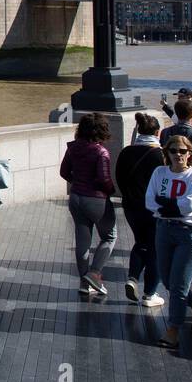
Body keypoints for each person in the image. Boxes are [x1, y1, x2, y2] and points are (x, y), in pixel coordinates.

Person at [146, 136, 192, 348]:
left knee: (178, 285)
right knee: (167, 281)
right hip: (164, 230)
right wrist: (172, 206)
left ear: (190, 153)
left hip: (190, 234)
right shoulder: (159, 172)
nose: (178, 155)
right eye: (173, 151)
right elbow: (150, 201)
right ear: (167, 153)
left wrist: (167, 204)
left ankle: (173, 330)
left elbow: (190, 205)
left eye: (183, 151)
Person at [60, 113, 117, 296]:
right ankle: (94, 273)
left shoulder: (72, 148)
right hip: (96, 199)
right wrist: (110, 191)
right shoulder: (101, 152)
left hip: (76, 197)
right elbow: (103, 178)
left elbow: (64, 171)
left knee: (82, 240)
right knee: (109, 236)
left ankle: (84, 283)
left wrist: (77, 182)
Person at [115, 114, 166, 307]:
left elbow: (118, 177)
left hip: (130, 206)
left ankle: (133, 278)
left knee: (141, 242)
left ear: (137, 131)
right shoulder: (160, 155)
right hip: (153, 208)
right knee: (155, 248)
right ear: (157, 132)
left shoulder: (126, 152)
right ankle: (150, 293)